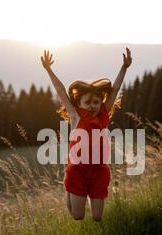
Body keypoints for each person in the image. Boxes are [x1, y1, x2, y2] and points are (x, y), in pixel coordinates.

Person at [41, 47, 132, 221]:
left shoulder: (103, 117)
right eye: (87, 102)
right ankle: (68, 186)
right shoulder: (76, 116)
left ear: (101, 103)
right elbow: (61, 91)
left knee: (97, 217)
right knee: (78, 216)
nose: (92, 105)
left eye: (96, 102)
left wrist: (124, 67)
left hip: (99, 172)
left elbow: (115, 89)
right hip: (77, 172)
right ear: (79, 103)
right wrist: (49, 69)